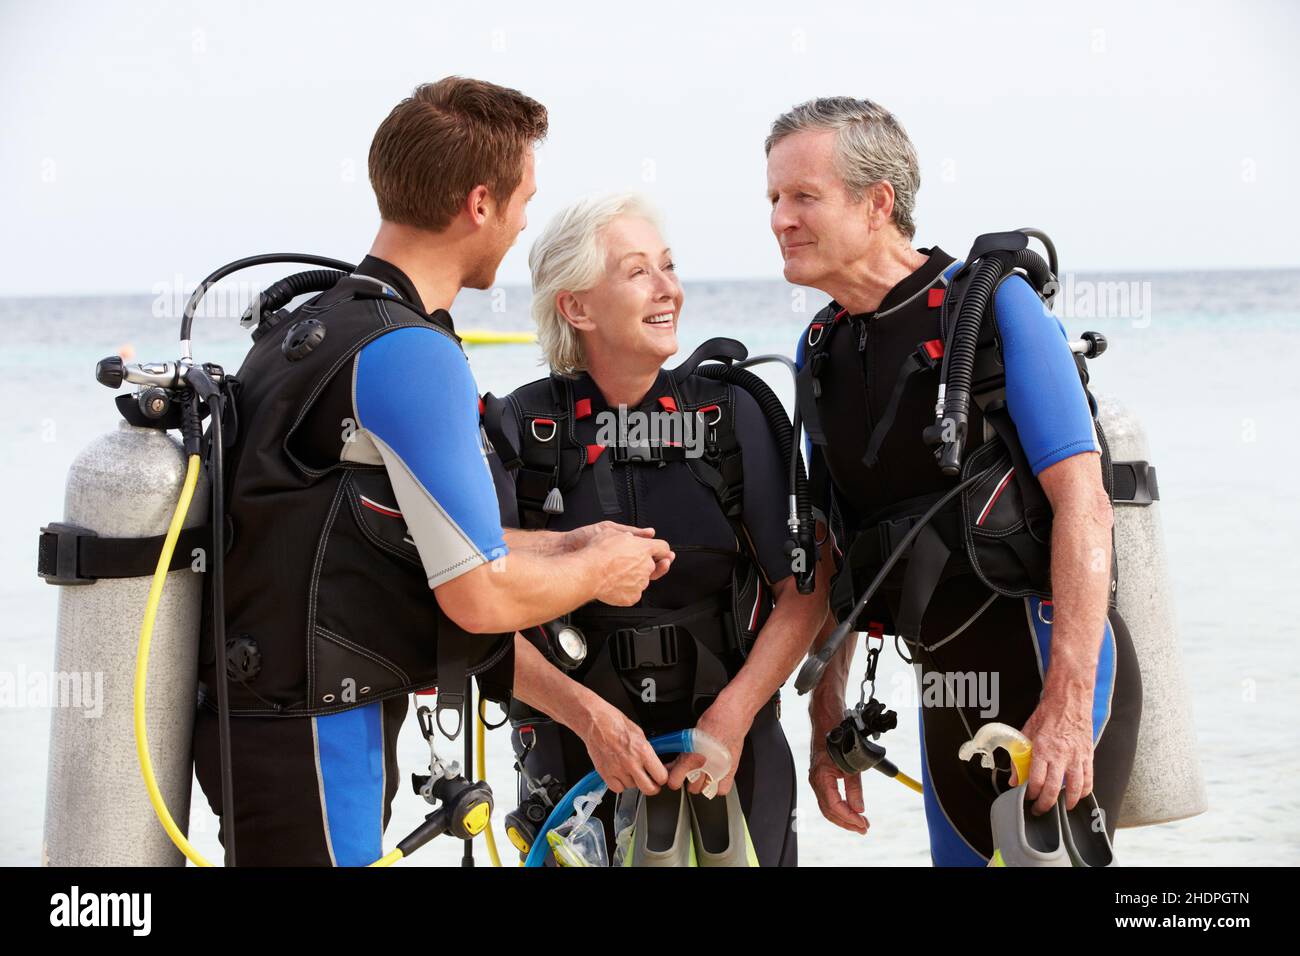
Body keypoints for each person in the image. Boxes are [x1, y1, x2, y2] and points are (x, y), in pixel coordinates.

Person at [193, 79, 673, 866]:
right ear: (480, 204)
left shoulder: (312, 325)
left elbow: (401, 530)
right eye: (523, 200)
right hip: (316, 726)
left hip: (268, 720)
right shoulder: (410, 352)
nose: (524, 222)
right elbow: (476, 594)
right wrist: (600, 568)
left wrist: (568, 542)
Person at [764, 97, 1142, 865]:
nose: (779, 219)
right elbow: (835, 548)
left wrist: (1067, 703)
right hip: (946, 684)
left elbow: (1085, 502)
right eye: (773, 198)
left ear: (877, 204)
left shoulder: (993, 308)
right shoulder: (821, 347)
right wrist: (825, 716)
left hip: (1049, 664)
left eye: (803, 196)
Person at [485, 194, 827, 866]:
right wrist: (588, 719)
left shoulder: (733, 416)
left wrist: (734, 714)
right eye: (638, 271)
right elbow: (476, 610)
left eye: (669, 267)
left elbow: (808, 588)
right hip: (573, 752)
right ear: (576, 307)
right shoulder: (521, 432)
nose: (668, 287)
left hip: (731, 748)